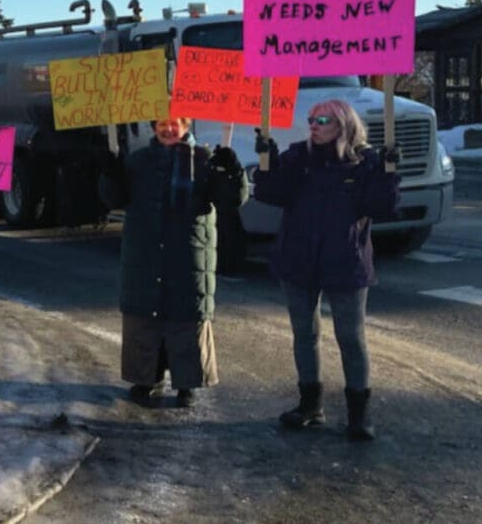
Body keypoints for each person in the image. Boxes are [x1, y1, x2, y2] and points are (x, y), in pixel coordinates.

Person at [254, 99, 400, 440]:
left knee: (350, 336)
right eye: (311, 119)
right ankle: (310, 405)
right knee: (305, 333)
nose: (314, 125)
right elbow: (270, 194)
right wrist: (267, 161)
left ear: (344, 124)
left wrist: (391, 175)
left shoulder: (366, 163)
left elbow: (382, 206)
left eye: (322, 119)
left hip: (345, 261)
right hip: (298, 258)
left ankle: (359, 415)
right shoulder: (297, 158)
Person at [98, 118, 249, 408]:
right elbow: (113, 198)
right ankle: (146, 378)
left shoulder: (205, 160)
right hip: (145, 252)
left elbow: (232, 199)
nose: (169, 129)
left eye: (177, 123)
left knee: (186, 317)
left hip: (189, 253)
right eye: (163, 123)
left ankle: (187, 383)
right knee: (146, 316)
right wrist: (110, 172)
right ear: (154, 126)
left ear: (187, 124)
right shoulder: (138, 161)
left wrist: (232, 170)